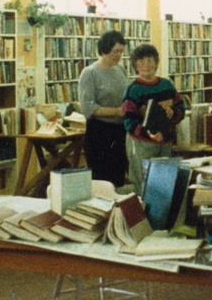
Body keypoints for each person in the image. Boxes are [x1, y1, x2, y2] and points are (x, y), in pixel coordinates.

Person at [121, 43, 186, 196]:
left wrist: (173, 112)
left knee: (164, 185)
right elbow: (128, 121)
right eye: (141, 62)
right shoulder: (133, 89)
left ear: (156, 62)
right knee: (142, 185)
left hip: (165, 142)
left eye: (150, 60)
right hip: (142, 143)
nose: (146, 65)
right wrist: (146, 132)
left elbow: (181, 108)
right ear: (135, 66)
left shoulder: (167, 85)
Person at [78, 30, 129, 188]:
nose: (118, 55)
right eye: (115, 51)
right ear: (104, 49)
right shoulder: (90, 73)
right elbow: (88, 108)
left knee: (118, 177)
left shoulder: (120, 70)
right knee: (102, 182)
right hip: (99, 133)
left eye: (121, 51)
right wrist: (116, 111)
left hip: (120, 131)